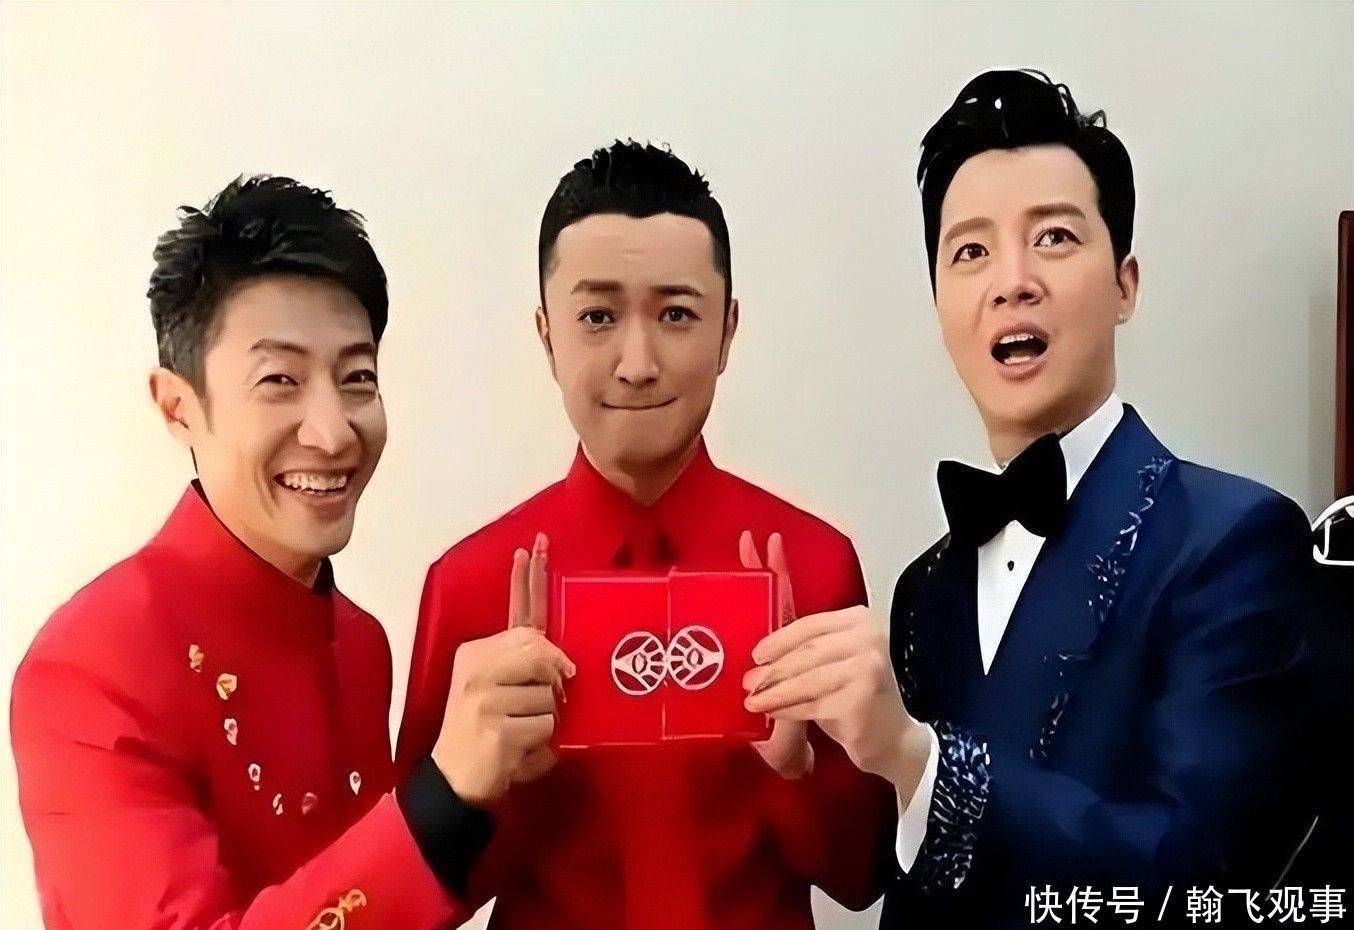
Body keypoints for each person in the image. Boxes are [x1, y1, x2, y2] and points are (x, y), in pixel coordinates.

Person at [742, 71, 1320, 928]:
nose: (1011, 282)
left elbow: (1201, 875)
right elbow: (908, 888)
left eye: (1053, 237)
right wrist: (806, 765)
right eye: (970, 252)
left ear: (1125, 284)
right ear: (940, 302)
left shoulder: (1237, 540)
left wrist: (921, 759)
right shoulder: (925, 589)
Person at [11, 175, 568, 929]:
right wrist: (439, 797)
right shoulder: (90, 666)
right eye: (280, 381)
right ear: (178, 407)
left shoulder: (361, 643)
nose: (333, 432)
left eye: (357, 378)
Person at [396, 140, 894, 930]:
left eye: (676, 315)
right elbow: (414, 895)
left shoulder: (815, 567)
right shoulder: (470, 584)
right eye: (597, 317)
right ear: (547, 335)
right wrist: (491, 788)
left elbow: (865, 877)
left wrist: (794, 769)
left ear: (727, 331)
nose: (637, 363)